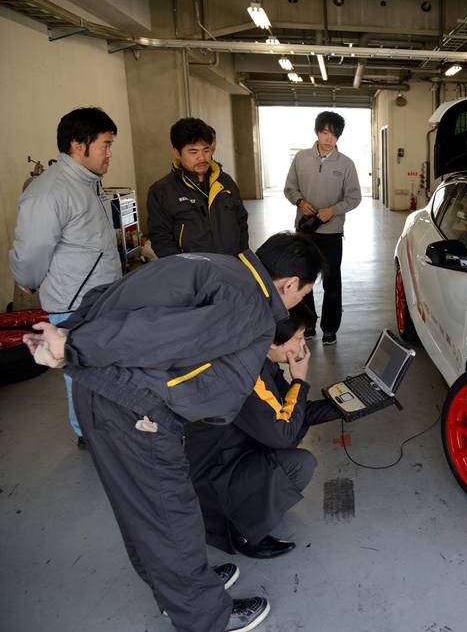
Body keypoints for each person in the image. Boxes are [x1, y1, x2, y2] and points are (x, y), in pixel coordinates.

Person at [22, 232, 323, 632]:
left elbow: (112, 296)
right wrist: (76, 345)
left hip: (100, 390)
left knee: (143, 512)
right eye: (302, 293)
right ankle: (204, 615)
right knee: (170, 513)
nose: (297, 304)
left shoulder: (214, 264)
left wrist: (77, 339)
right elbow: (160, 333)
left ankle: (179, 591)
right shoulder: (248, 303)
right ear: (286, 284)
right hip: (133, 406)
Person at [186, 303, 339, 559]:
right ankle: (244, 533)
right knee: (299, 463)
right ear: (272, 342)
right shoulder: (247, 377)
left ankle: (252, 504)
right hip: (214, 477)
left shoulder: (260, 362)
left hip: (233, 455)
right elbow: (284, 433)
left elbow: (292, 413)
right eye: (299, 338)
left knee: (291, 440)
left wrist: (349, 405)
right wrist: (300, 380)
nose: (302, 347)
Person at [9, 107, 123, 448]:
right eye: (105, 144)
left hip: (99, 297)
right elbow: (30, 251)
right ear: (78, 144)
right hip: (74, 301)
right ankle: (87, 434)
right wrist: (27, 279)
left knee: (99, 366)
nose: (109, 152)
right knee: (78, 370)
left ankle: (104, 426)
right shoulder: (50, 191)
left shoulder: (87, 183)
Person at [284, 111, 362, 345]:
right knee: (303, 280)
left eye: (334, 135)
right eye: (325, 132)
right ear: (317, 132)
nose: (329, 139)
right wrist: (299, 201)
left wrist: (333, 210)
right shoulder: (301, 158)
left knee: (331, 281)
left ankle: (330, 328)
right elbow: (289, 188)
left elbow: (354, 198)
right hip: (305, 231)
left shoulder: (346, 164)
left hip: (331, 233)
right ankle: (307, 324)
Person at [147, 118, 248, 257]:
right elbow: (160, 239)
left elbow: (241, 222)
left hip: (229, 266)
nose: (202, 157)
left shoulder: (226, 182)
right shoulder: (162, 191)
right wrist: (184, 270)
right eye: (193, 152)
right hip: (192, 273)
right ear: (177, 153)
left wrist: (240, 256)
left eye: (206, 150)